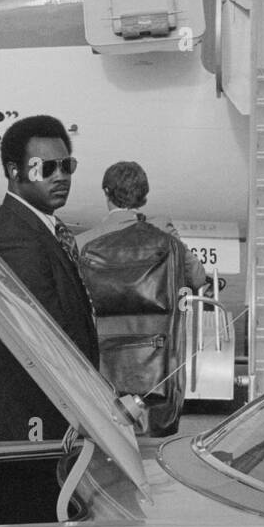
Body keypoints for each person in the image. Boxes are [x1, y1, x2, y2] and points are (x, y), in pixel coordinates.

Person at [0, 115, 99, 442]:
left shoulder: (39, 228)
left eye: (66, 165)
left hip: (49, 415)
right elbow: (51, 339)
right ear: (15, 172)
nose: (60, 176)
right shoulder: (17, 238)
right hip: (34, 421)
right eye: (45, 168)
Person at [80, 161, 207, 438]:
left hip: (103, 370)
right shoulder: (166, 238)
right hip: (158, 372)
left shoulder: (83, 243)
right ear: (144, 194)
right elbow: (197, 278)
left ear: (106, 193)